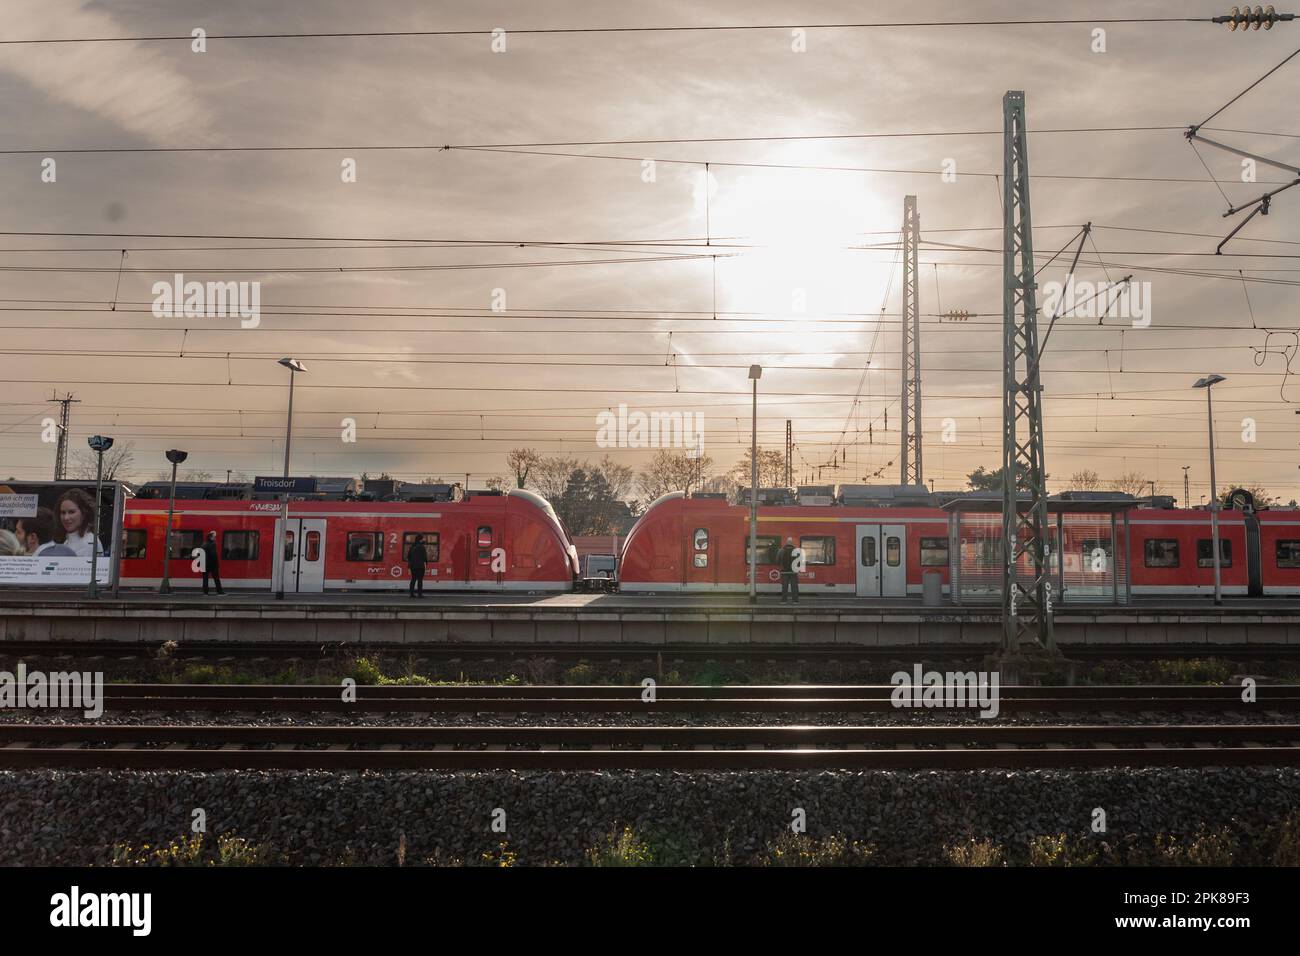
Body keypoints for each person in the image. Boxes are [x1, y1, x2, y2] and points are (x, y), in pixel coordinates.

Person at [55, 488, 102, 557]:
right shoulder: (68, 540)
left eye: (71, 512)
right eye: (63, 512)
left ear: (84, 513)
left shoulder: (88, 543)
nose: (66, 518)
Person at [777, 536, 800, 605]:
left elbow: (777, 560)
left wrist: (781, 566)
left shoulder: (781, 550)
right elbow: (799, 562)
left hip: (784, 571)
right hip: (793, 572)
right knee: (794, 586)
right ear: (791, 542)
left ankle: (784, 601)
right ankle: (795, 601)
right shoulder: (796, 550)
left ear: (786, 542)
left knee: (784, 587)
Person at [201, 531, 224, 595]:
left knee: (205, 579)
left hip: (204, 564)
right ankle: (219, 591)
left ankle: (205, 592)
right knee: (216, 578)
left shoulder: (203, 544)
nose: (215, 538)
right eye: (214, 537)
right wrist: (217, 565)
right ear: (211, 537)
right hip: (212, 565)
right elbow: (213, 555)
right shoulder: (213, 544)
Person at [408, 533, 427, 598]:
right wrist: (426, 564)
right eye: (422, 539)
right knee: (420, 580)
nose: (423, 540)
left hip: (413, 566)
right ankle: (420, 594)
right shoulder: (422, 547)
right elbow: (425, 558)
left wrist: (409, 565)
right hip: (420, 566)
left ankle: (411, 594)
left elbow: (409, 557)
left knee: (413, 579)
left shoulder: (412, 547)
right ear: (420, 540)